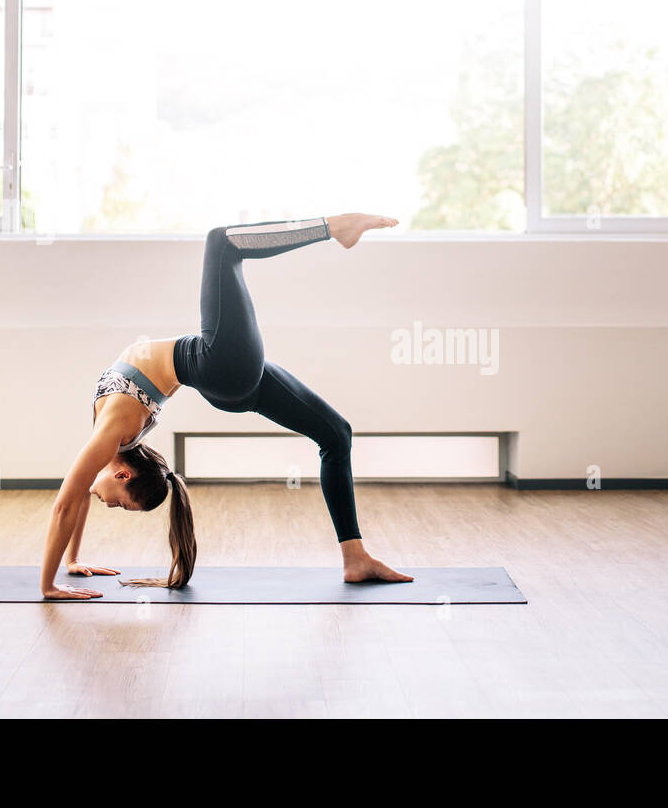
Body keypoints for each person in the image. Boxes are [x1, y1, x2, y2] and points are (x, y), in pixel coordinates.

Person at [40, 213, 414, 600]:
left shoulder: (113, 435)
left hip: (221, 372)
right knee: (222, 242)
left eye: (119, 506)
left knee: (336, 434)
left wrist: (60, 572)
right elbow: (75, 496)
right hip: (219, 368)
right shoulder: (116, 435)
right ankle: (332, 227)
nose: (107, 505)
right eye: (120, 507)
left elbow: (71, 499)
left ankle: (355, 559)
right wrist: (59, 572)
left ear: (122, 477)